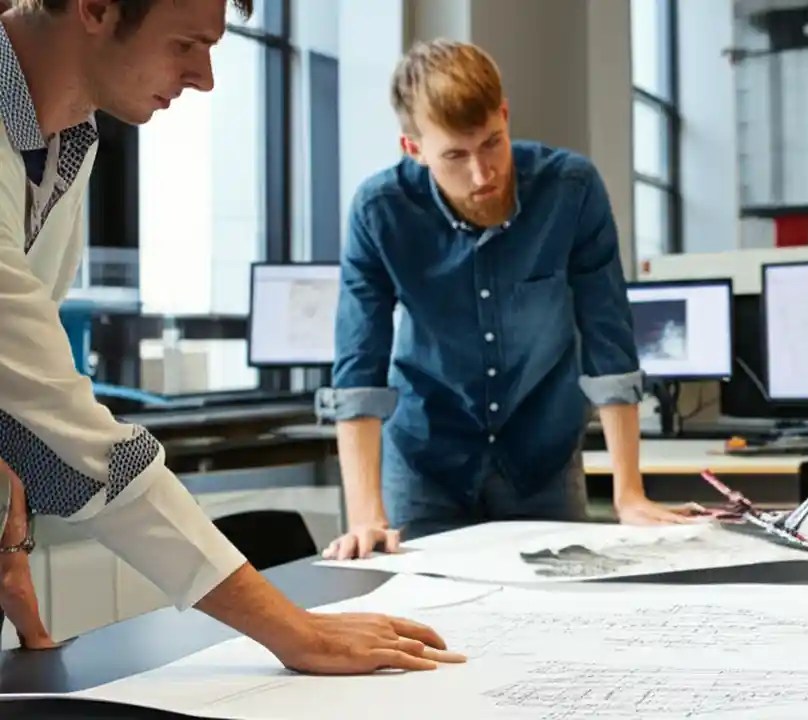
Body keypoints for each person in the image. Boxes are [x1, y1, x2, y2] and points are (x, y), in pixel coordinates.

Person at [0, 0, 465, 674]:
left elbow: (17, 382)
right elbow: (74, 435)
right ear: (95, 7)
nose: (206, 77)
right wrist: (292, 629)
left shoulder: (72, 142)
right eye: (188, 43)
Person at [318, 39, 701, 561]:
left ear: (504, 115)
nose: (482, 174)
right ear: (414, 148)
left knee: (559, 619)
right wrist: (366, 516)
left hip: (540, 454)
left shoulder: (570, 190)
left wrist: (628, 492)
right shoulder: (380, 210)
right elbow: (359, 368)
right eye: (455, 155)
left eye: (492, 143)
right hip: (427, 457)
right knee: (421, 618)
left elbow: (608, 339)